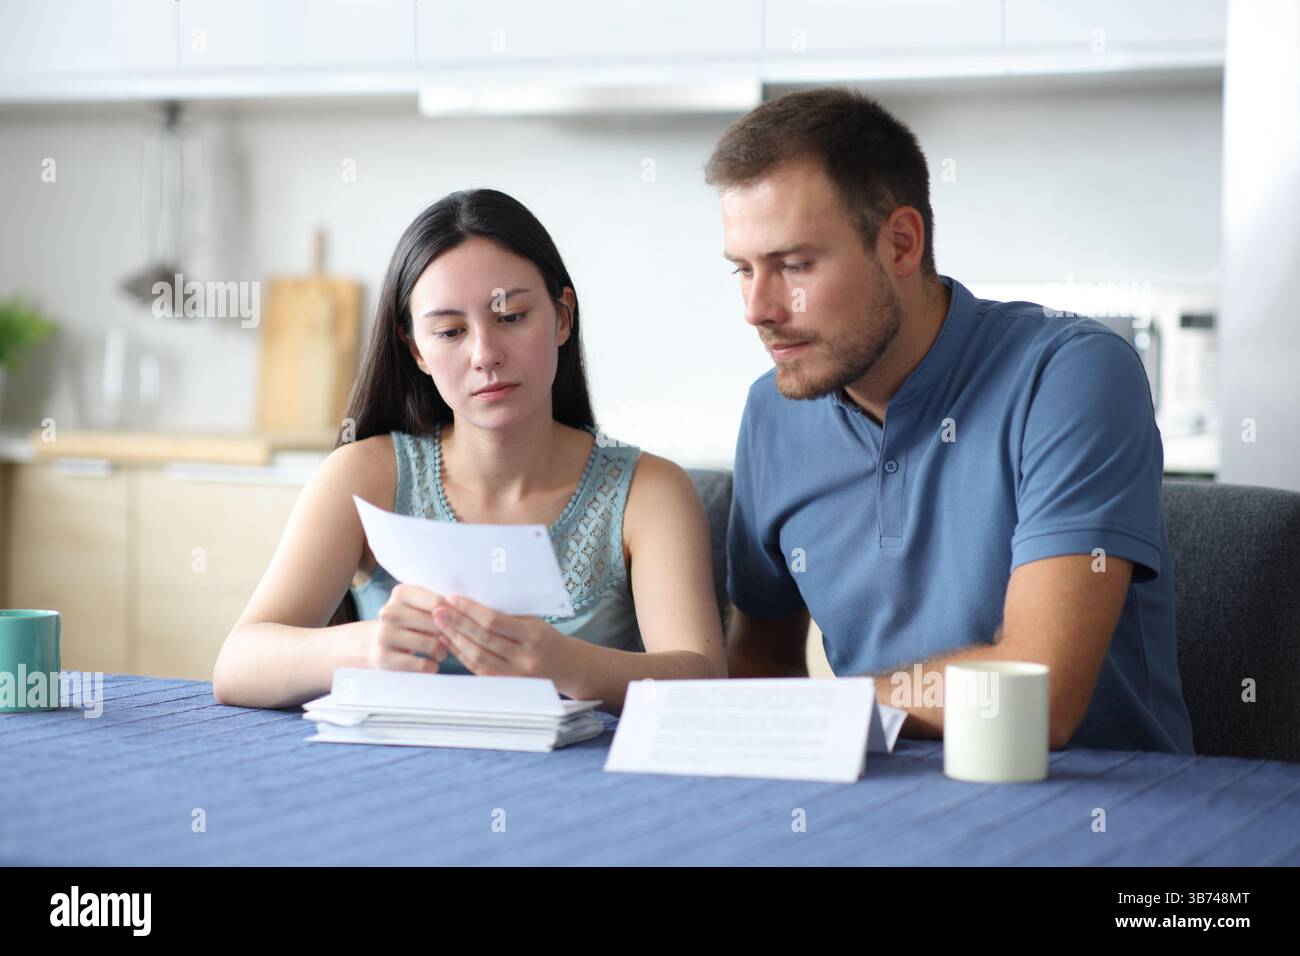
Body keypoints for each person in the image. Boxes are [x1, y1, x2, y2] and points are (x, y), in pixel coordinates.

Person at [707, 87, 1194, 753]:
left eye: (794, 265)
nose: (757, 308)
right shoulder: (773, 412)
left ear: (901, 243)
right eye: (743, 269)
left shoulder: (1072, 374)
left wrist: (823, 707)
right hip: (875, 811)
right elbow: (760, 664)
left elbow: (1035, 693)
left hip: (1098, 813)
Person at [213, 189, 726, 711]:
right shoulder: (363, 475)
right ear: (415, 349)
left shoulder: (650, 491)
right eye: (450, 331)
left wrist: (568, 664)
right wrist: (364, 647)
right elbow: (237, 666)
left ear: (563, 317)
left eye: (512, 317)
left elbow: (704, 683)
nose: (485, 354)